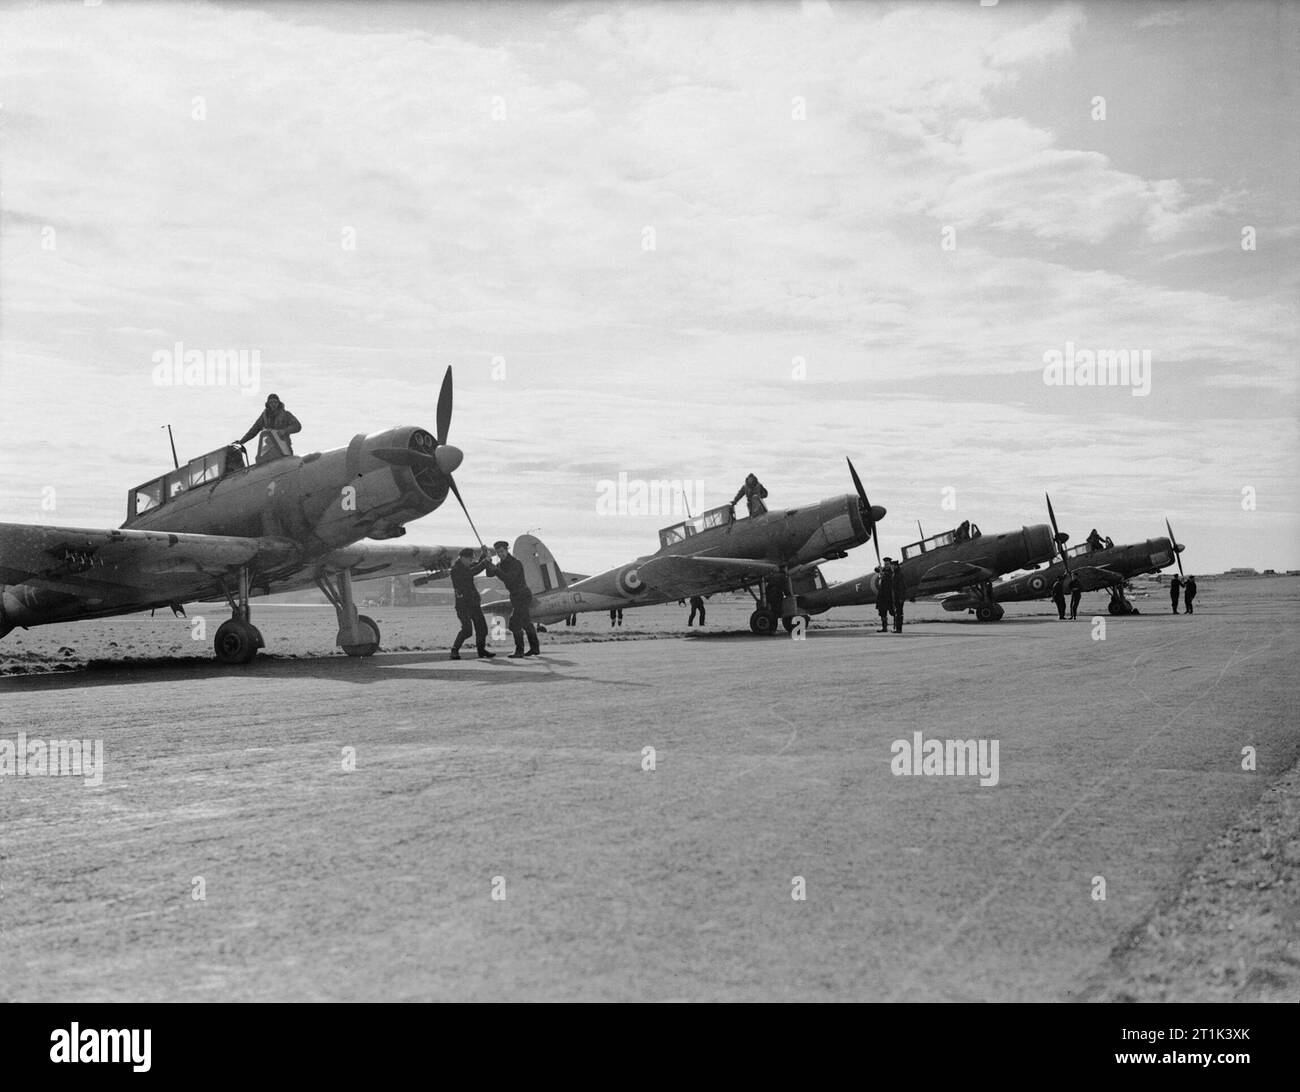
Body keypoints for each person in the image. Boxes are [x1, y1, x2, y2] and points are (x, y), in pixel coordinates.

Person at [485, 540, 540, 657]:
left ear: (506, 550)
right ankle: (535, 648)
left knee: (514, 624)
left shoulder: (516, 563)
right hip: (515, 596)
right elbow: (490, 574)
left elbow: (509, 579)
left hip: (523, 595)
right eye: (498, 552)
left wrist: (496, 569)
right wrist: (488, 561)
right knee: (526, 622)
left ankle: (519, 651)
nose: (500, 554)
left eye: (502, 551)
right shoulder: (501, 564)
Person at [449, 546, 494, 660]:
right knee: (467, 630)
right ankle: (454, 650)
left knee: (482, 628)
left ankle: (481, 650)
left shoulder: (466, 565)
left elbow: (477, 565)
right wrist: (485, 562)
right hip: (463, 605)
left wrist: (484, 554)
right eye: (470, 559)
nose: (471, 561)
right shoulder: (456, 570)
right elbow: (473, 571)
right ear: (463, 558)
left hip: (473, 603)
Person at [238, 393, 301, 457]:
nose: (273, 404)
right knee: (260, 457)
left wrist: (284, 431)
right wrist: (241, 442)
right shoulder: (264, 417)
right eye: (271, 402)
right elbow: (253, 430)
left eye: (275, 402)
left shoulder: (286, 415)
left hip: (284, 449)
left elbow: (297, 426)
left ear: (278, 403)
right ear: (268, 404)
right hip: (270, 448)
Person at [875, 561, 894, 633]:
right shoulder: (883, 571)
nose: (886, 565)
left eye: (887, 564)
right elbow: (876, 569)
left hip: (889, 596)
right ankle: (884, 627)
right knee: (882, 612)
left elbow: (890, 578)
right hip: (882, 596)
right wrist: (879, 568)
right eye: (885, 564)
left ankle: (896, 627)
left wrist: (883, 574)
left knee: (893, 612)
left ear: (890, 565)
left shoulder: (891, 572)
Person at [890, 558, 906, 632]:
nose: (892, 567)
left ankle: (898, 629)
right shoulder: (895, 574)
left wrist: (901, 598)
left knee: (899, 613)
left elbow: (902, 587)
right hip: (896, 597)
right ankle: (897, 628)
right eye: (892, 566)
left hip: (898, 597)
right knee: (897, 612)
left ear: (896, 566)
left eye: (893, 566)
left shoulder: (898, 575)